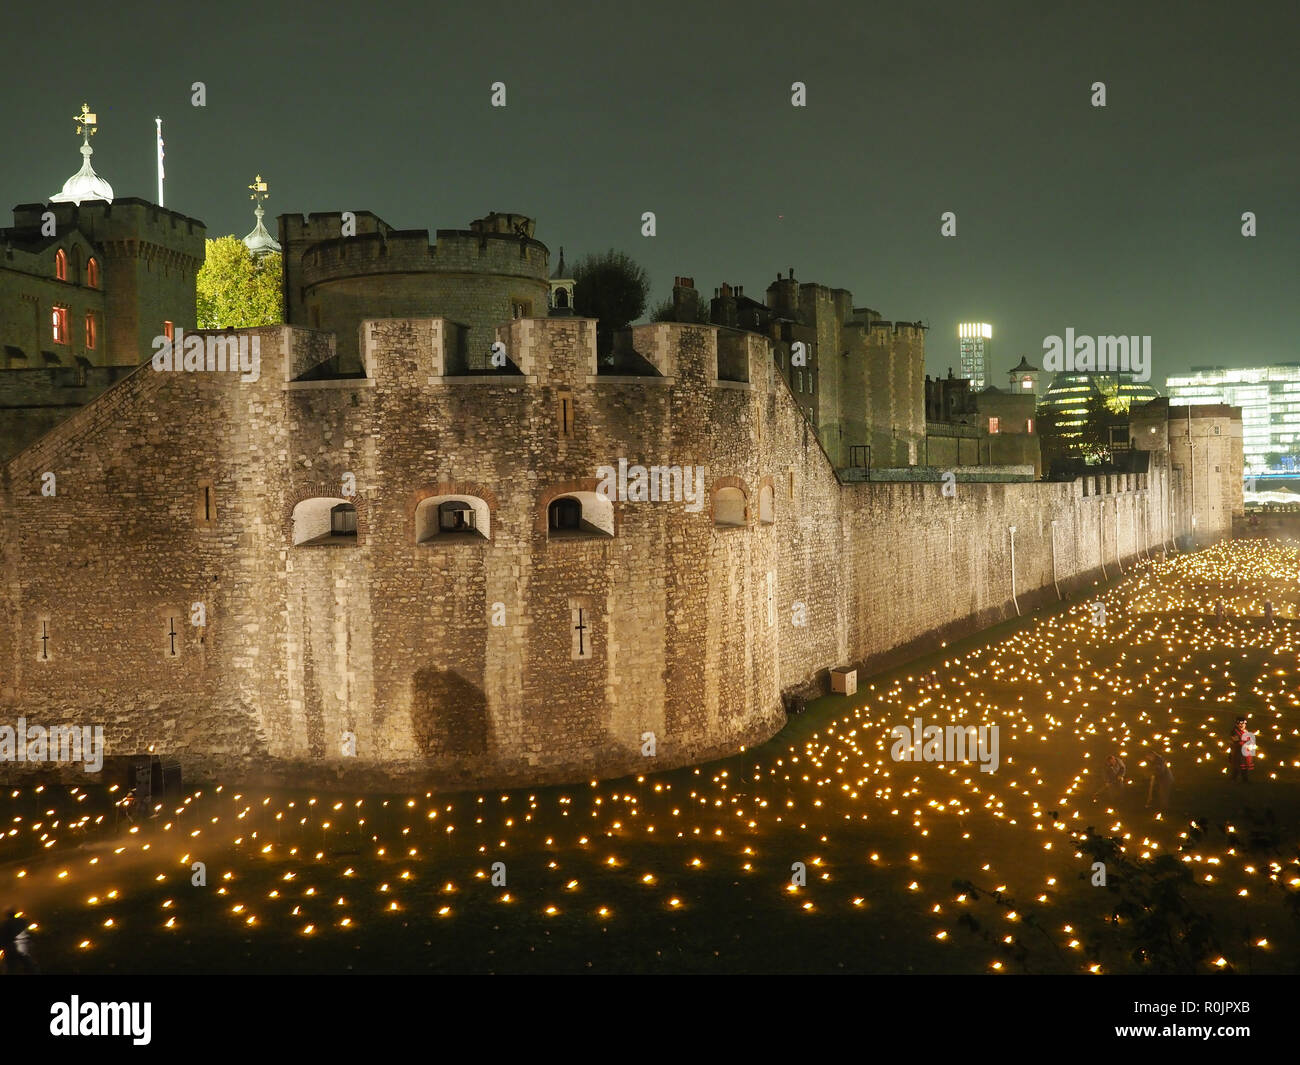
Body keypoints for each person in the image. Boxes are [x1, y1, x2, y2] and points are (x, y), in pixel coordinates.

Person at [1229, 717, 1254, 783]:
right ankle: (1233, 779)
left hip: (1245, 753)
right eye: (1240, 724)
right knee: (1237, 767)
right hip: (1238, 752)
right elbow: (1236, 741)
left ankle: (1245, 779)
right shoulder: (1234, 732)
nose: (1242, 725)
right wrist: (1245, 745)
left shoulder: (1246, 731)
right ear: (1237, 724)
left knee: (1244, 767)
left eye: (1244, 724)